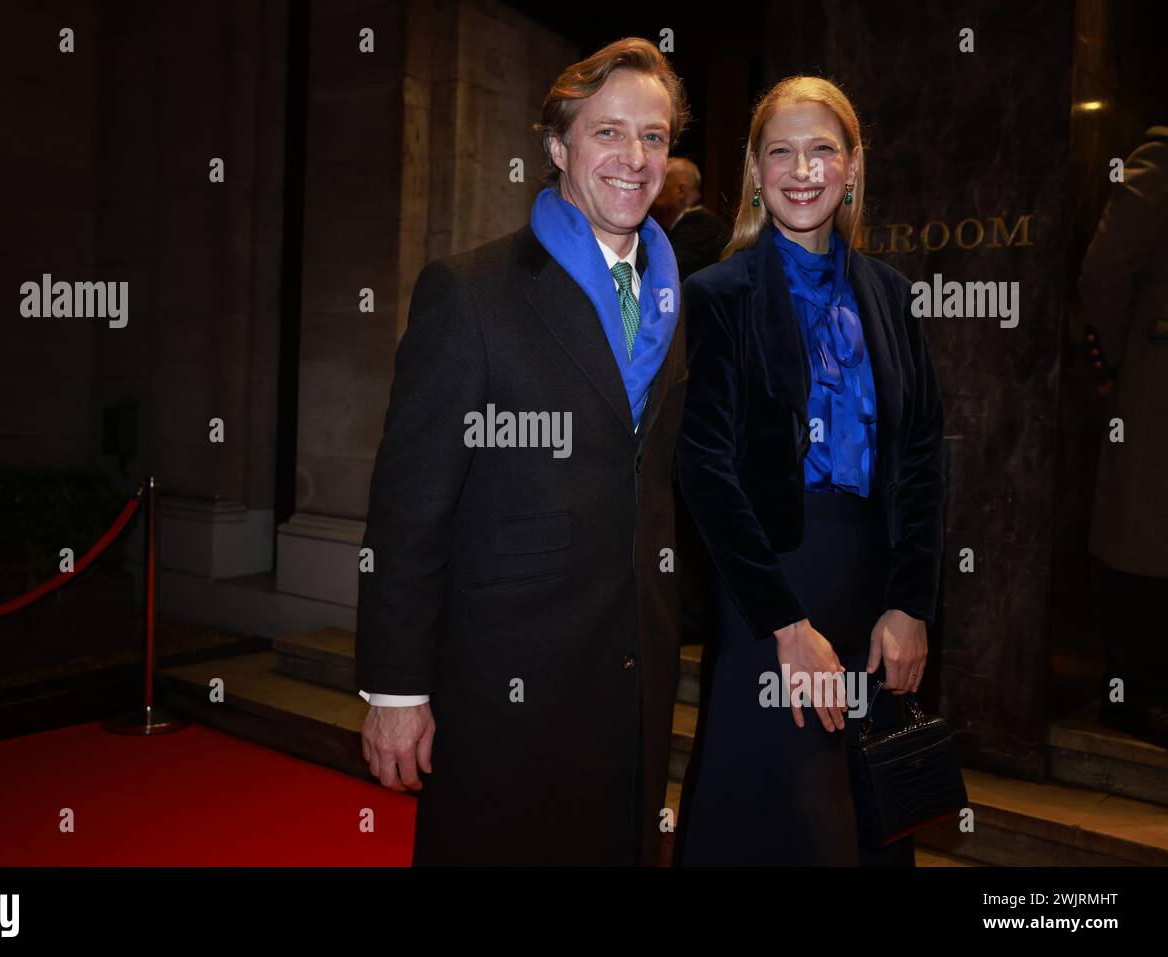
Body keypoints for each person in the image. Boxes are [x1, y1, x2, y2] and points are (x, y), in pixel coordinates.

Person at [354, 37, 690, 865]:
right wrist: (397, 687)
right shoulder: (470, 294)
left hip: (633, 678)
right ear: (556, 146)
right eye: (609, 132)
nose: (634, 157)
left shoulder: (675, 303)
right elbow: (409, 506)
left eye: (654, 136)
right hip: (508, 688)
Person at [674, 76, 947, 866]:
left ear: (853, 165)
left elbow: (925, 454)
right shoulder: (717, 295)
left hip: (875, 599)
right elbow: (705, 471)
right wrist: (787, 627)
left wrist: (910, 604)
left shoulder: (890, 297)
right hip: (768, 594)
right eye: (782, 151)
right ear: (756, 172)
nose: (803, 169)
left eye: (823, 149)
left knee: (866, 823)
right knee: (782, 821)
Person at [1080, 125, 1168, 749]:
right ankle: (1134, 694)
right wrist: (1119, 359)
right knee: (1143, 533)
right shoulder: (1163, 154)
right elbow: (1104, 270)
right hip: (1155, 381)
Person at [650, 157, 733, 280]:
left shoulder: (702, 227)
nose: (652, 191)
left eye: (660, 184)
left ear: (681, 191)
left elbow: (661, 274)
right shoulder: (691, 225)